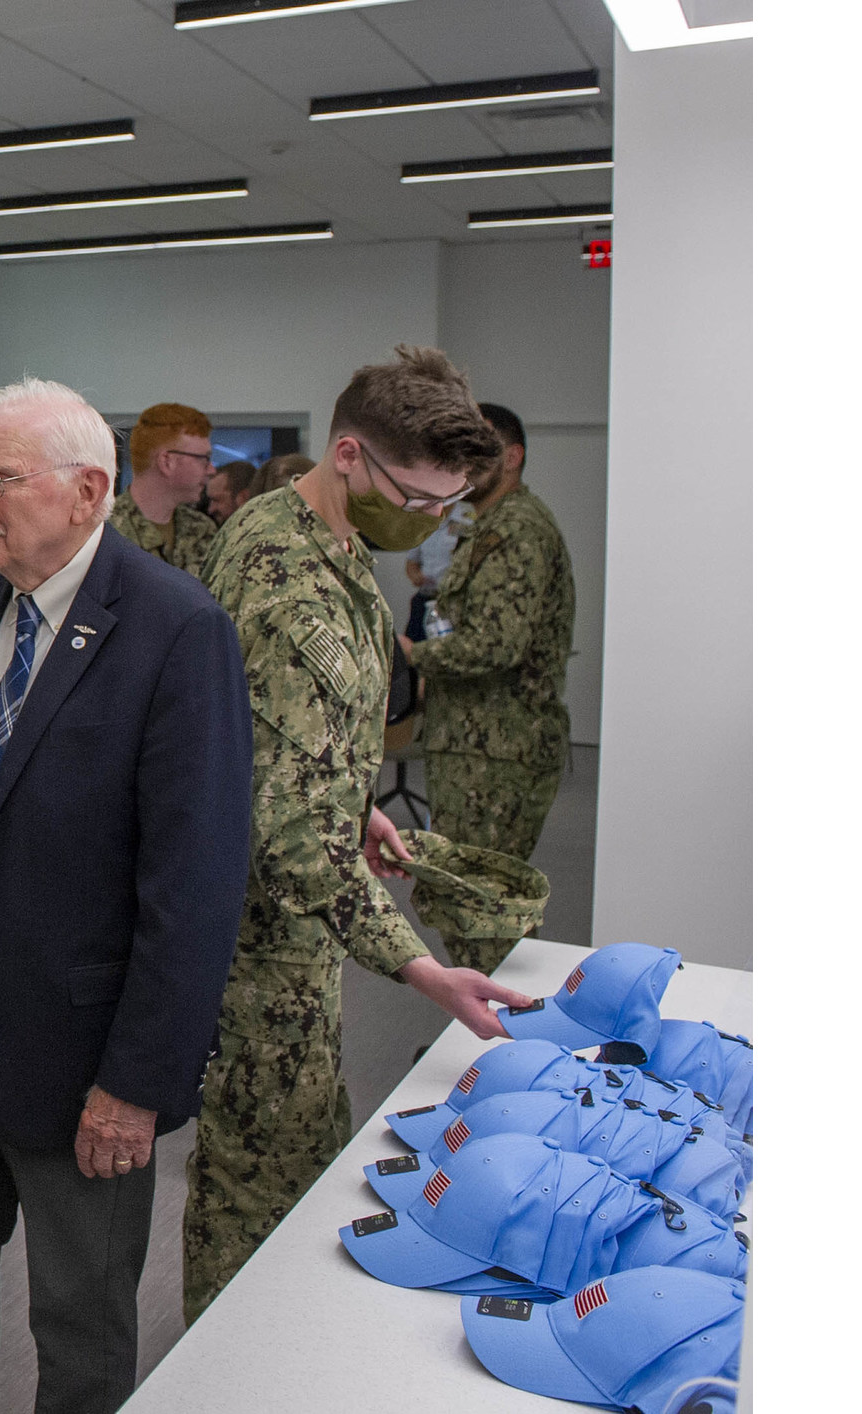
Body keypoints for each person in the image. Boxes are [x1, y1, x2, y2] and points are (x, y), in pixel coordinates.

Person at [0, 377, 255, 1413]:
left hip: (83, 1036)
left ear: (87, 491)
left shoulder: (176, 629)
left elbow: (196, 883)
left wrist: (137, 1078)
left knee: (77, 1309)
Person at [184, 346, 537, 1324]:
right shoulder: (280, 571)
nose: (426, 521)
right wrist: (420, 968)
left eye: (444, 506)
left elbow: (290, 738)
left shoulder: (336, 540)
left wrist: (357, 801)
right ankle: (223, 1376)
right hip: (262, 937)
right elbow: (287, 834)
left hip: (301, 924)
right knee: (254, 1193)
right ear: (348, 455)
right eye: (417, 498)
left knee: (299, 1159)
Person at [398, 402, 576, 974]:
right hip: (479, 743)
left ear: (514, 456)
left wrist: (409, 656)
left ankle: (503, 1041)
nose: (462, 466)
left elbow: (496, 644)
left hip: (497, 750)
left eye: (478, 452)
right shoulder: (491, 525)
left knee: (481, 903)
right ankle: (498, 1034)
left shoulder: (517, 529)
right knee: (475, 900)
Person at [107, 401, 220, 571]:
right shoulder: (105, 531)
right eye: (203, 459)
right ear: (167, 462)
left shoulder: (202, 529)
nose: (211, 470)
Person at [401, 498, 477, 641]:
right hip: (426, 598)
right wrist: (416, 576)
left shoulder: (467, 518)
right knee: (409, 653)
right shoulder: (424, 518)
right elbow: (411, 563)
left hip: (454, 603)